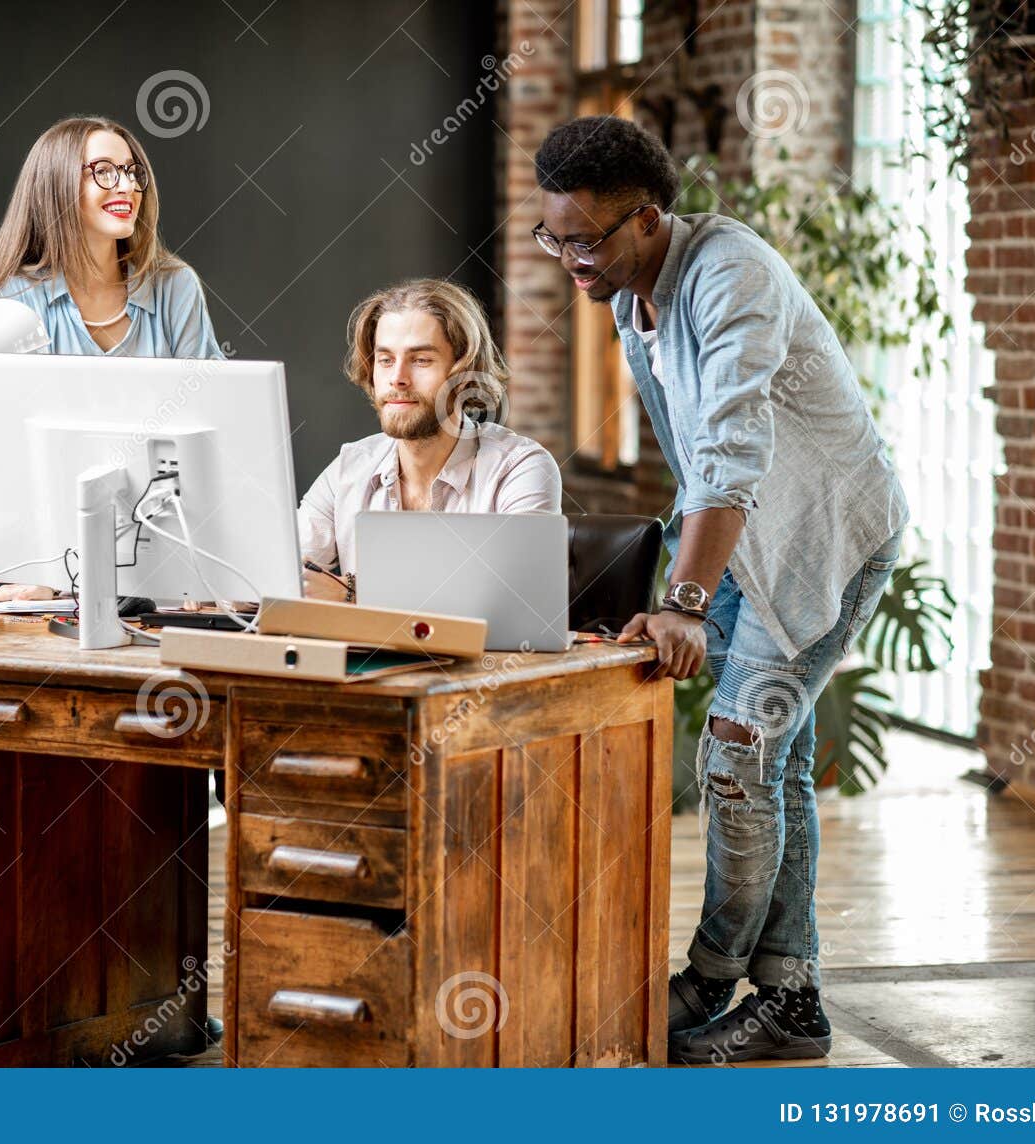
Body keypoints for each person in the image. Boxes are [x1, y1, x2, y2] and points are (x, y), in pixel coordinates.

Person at [533, 115, 908, 1064]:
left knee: (737, 755)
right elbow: (693, 458)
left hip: (825, 542)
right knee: (773, 763)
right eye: (554, 238)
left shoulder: (730, 275)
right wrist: (692, 578)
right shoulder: (632, 297)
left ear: (647, 218)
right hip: (746, 545)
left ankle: (711, 974)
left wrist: (685, 603)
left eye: (584, 240)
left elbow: (732, 447)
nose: (569, 260)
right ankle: (791, 999)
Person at [0, 115, 224, 602]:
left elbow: (215, 427)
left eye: (132, 172)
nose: (127, 186)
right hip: (59, 563)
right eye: (104, 172)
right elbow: (9, 455)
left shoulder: (175, 287)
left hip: (176, 551)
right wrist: (41, 571)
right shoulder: (18, 301)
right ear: (56, 187)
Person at [298, 277, 561, 601]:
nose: (397, 378)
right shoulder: (349, 468)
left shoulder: (519, 468)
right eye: (385, 360)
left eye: (421, 360)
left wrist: (353, 593)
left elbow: (519, 597)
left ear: (465, 372)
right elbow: (281, 574)